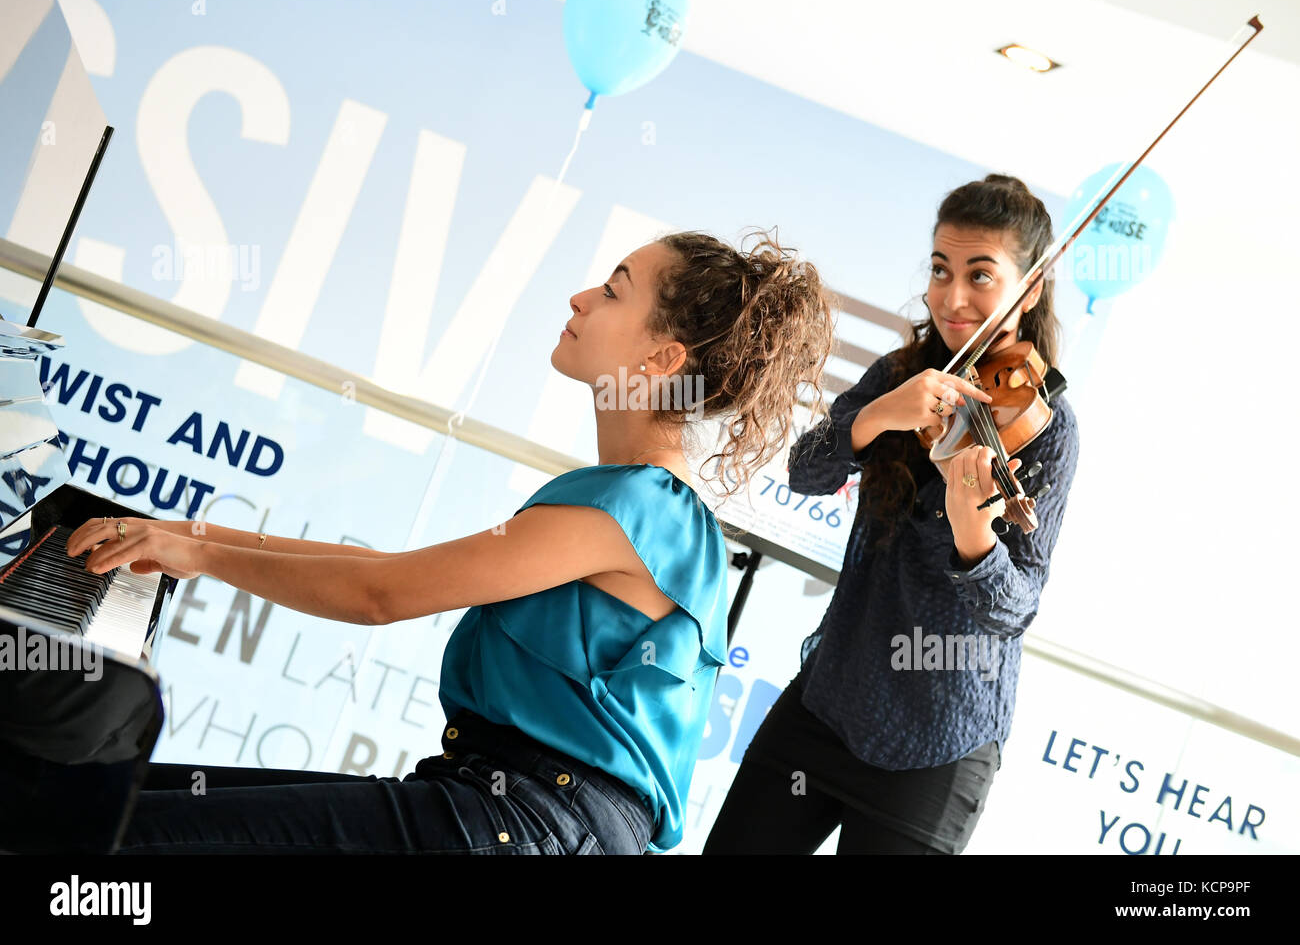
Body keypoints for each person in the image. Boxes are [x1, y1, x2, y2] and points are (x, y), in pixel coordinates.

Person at [62, 230, 835, 855]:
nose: (579, 297)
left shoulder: (639, 507)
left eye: (611, 290)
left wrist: (197, 554)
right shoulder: (641, 505)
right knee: (103, 803)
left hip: (529, 828)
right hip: (518, 817)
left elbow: (381, 598)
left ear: (661, 360)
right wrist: (182, 535)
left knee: (103, 832)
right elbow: (383, 571)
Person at [703, 174, 1080, 855]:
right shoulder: (903, 374)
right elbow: (805, 470)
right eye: (940, 269)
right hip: (832, 700)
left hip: (942, 741)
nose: (952, 296)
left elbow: (1015, 608)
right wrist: (879, 415)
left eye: (980, 275)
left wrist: (974, 535)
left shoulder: (1049, 427)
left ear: (1031, 287)